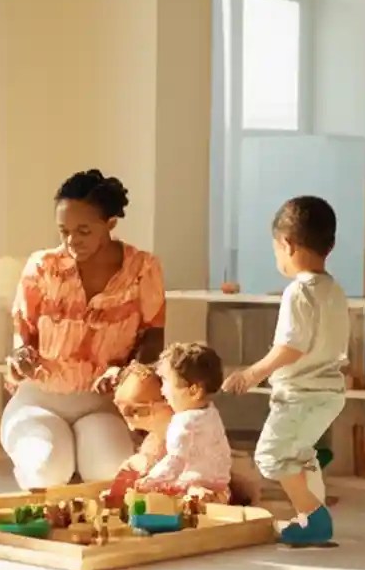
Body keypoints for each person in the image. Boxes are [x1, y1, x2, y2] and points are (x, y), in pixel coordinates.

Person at [1, 169, 166, 489]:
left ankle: (77, 465)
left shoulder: (144, 268)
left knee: (109, 474)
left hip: (103, 404)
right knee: (47, 472)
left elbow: (153, 335)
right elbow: (23, 331)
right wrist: (21, 354)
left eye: (84, 231)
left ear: (110, 223)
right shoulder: (42, 266)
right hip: (39, 400)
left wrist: (129, 375)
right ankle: (42, 467)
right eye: (63, 231)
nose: (71, 241)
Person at [222, 196, 349, 546]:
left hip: (300, 396)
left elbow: (291, 347)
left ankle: (314, 518)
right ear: (330, 245)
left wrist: (252, 373)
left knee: (271, 456)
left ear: (287, 244)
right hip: (328, 394)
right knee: (300, 454)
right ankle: (310, 514)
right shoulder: (334, 290)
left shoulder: (298, 292)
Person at [135, 343, 232, 502]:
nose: (162, 391)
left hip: (193, 488)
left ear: (194, 391)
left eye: (166, 382)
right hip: (221, 487)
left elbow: (175, 461)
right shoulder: (210, 412)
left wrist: (150, 480)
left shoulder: (184, 422)